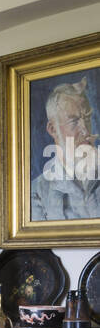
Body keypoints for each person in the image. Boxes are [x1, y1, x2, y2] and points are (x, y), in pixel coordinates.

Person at [31, 78, 100, 221]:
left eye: (87, 118)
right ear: (53, 129)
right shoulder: (37, 191)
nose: (85, 131)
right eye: (74, 121)